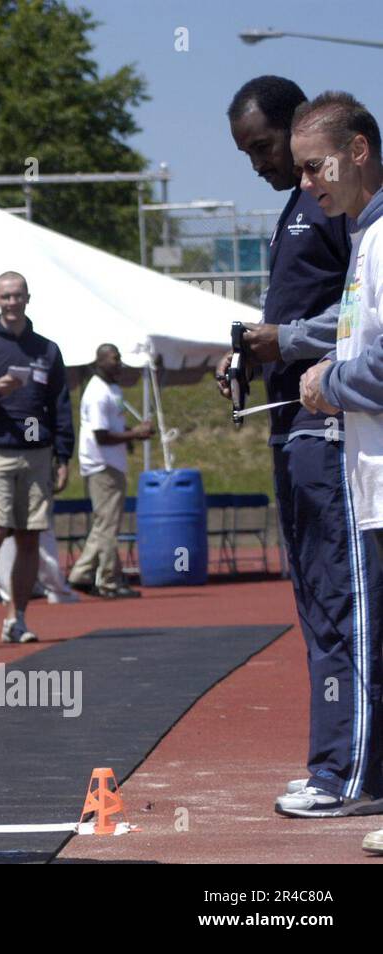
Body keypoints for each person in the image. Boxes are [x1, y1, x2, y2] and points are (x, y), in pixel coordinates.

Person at [219, 78, 383, 822]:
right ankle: (341, 764)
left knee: (344, 605)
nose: (265, 164)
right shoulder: (312, 209)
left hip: (336, 433)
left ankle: (347, 770)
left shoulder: (353, 221)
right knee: (327, 605)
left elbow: (353, 326)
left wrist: (287, 345)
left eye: (266, 147)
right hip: (310, 423)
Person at [284, 91, 383, 830]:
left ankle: (353, 778)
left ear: (357, 151)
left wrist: (328, 384)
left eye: (313, 166)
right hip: (368, 474)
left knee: (369, 637)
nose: (307, 185)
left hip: (377, 479)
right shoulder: (363, 237)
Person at [0, 271, 73, 647]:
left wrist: (63, 454)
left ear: (27, 298)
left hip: (38, 454)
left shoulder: (47, 349)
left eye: (18, 295)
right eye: (5, 296)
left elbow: (60, 406)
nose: (12, 302)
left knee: (29, 538)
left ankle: (16, 619)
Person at [68, 344, 152, 598]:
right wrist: (134, 434)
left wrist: (130, 436)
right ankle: (108, 580)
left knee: (105, 523)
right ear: (100, 361)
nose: (120, 363)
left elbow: (114, 424)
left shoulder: (112, 389)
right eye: (115, 358)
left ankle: (82, 573)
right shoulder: (96, 393)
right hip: (101, 463)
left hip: (113, 462)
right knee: (108, 524)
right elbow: (102, 435)